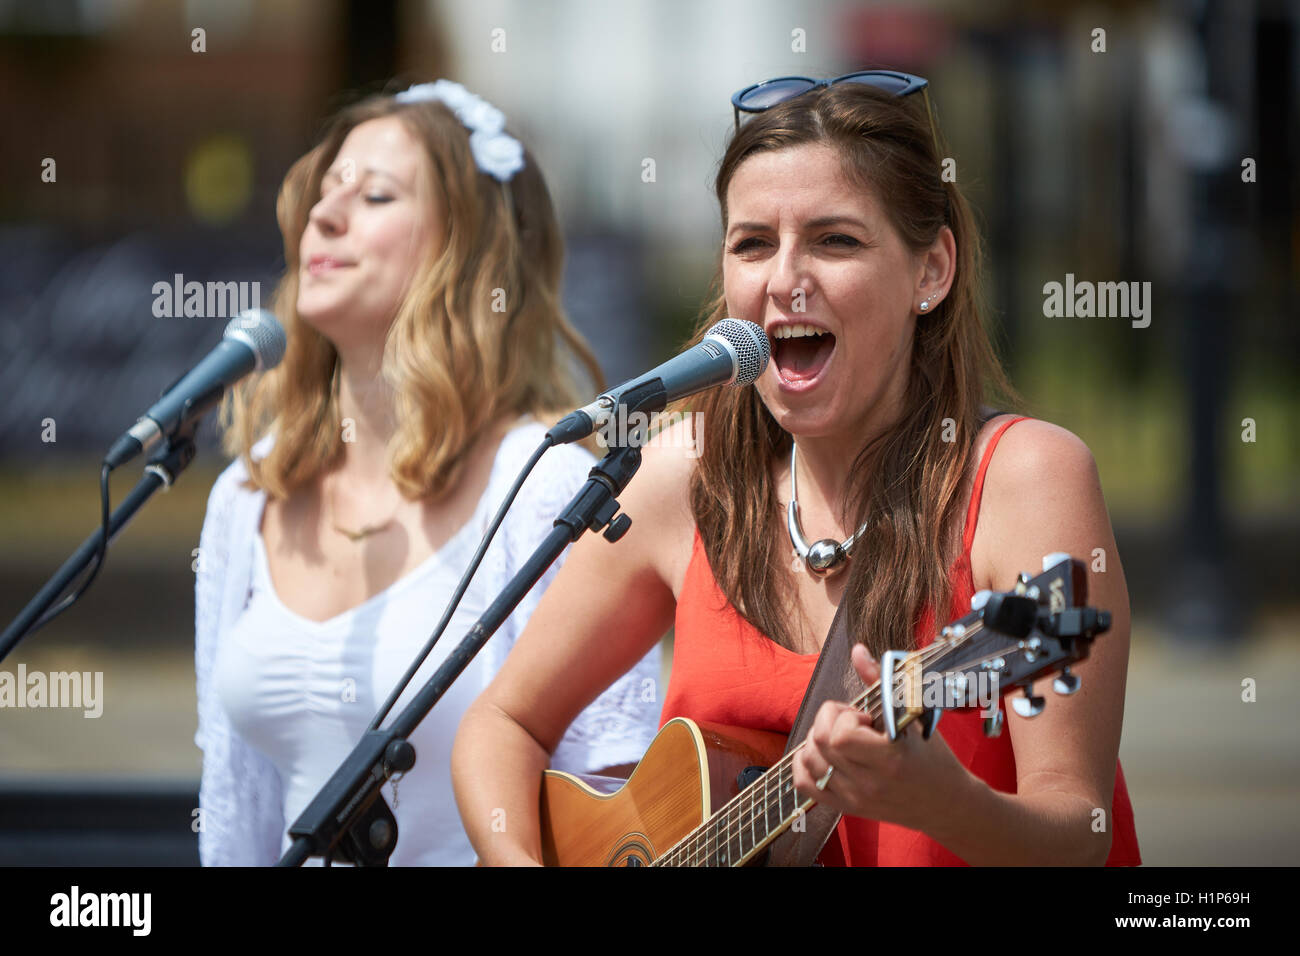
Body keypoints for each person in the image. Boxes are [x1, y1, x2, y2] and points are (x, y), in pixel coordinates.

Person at [451, 72, 1141, 866]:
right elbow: (503, 723)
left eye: (834, 240)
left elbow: (1080, 832)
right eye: (752, 244)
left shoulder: (1024, 478)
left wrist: (946, 806)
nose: (784, 278)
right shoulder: (685, 478)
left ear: (932, 270)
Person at [194, 80, 661, 866]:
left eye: (375, 195)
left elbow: (612, 805)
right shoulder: (248, 496)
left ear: (467, 249)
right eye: (323, 191)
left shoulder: (544, 489)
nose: (325, 215)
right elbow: (234, 805)